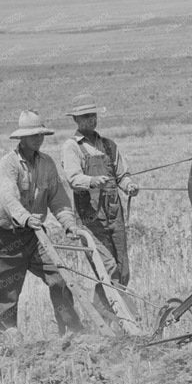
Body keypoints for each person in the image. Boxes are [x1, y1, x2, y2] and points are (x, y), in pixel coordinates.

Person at [0, 111, 85, 336]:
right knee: (6, 289)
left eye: (40, 134)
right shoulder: (9, 163)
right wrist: (25, 217)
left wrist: (68, 223)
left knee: (60, 277)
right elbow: (9, 196)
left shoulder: (47, 164)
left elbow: (58, 199)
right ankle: (6, 337)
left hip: (35, 236)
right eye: (32, 135)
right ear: (21, 137)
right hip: (7, 236)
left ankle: (71, 331)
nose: (37, 138)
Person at [60, 94, 139, 287]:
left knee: (123, 270)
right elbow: (74, 179)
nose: (91, 119)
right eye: (86, 116)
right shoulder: (72, 147)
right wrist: (93, 181)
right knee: (108, 268)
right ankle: (111, 315)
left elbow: (122, 175)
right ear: (75, 119)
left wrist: (129, 186)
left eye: (93, 115)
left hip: (114, 216)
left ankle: (114, 313)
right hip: (91, 220)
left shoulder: (109, 146)